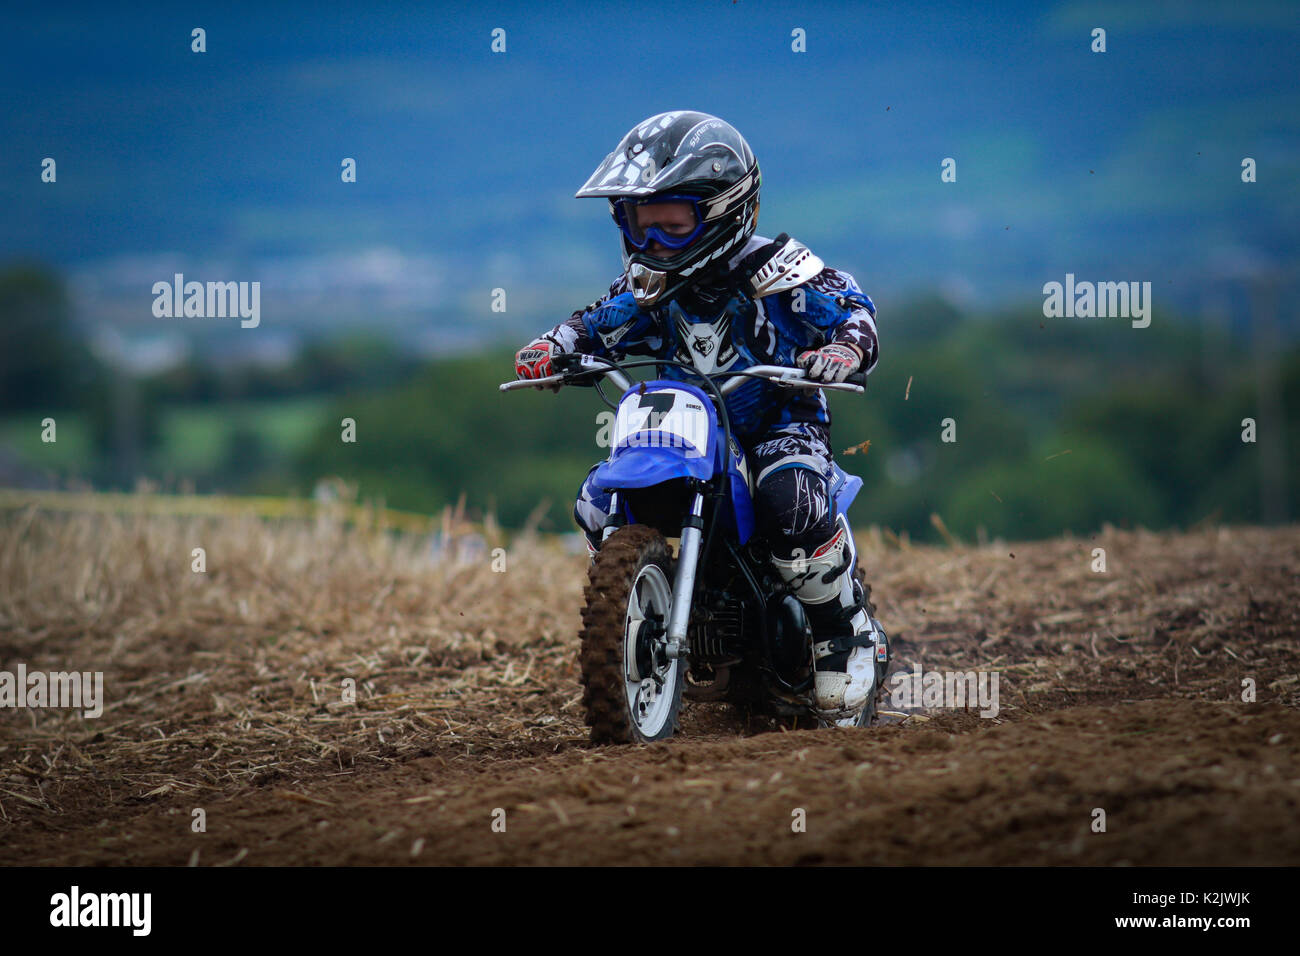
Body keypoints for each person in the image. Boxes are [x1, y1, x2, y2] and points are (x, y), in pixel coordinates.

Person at [514, 111, 886, 721]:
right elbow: (594, 323)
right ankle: (648, 603)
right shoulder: (646, 286)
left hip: (776, 422)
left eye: (672, 224)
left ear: (723, 211)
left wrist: (844, 348)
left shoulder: (779, 274)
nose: (652, 242)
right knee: (597, 500)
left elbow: (851, 307)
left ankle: (843, 629)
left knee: (789, 499)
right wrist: (553, 348)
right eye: (640, 223)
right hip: (686, 430)